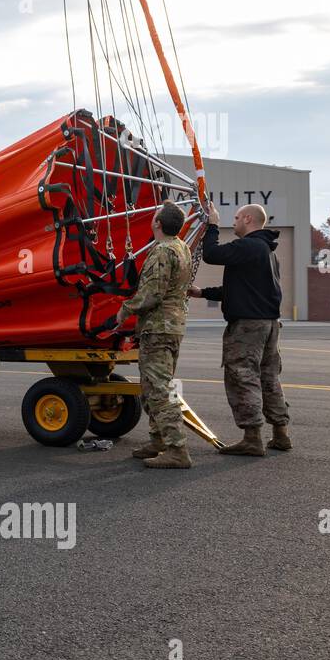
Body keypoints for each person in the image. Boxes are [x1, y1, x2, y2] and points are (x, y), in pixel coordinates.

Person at [188, 202, 290, 455]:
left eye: (235, 218)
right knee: (269, 378)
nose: (232, 223)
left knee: (242, 377)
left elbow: (212, 254)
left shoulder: (249, 246)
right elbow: (241, 290)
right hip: (269, 324)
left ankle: (252, 438)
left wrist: (212, 225)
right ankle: (281, 434)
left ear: (247, 219)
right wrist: (203, 293)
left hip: (248, 326)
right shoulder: (267, 252)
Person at [116, 201, 193, 469]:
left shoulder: (162, 251)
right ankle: (159, 440)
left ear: (158, 223)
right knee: (153, 388)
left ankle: (177, 449)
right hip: (172, 326)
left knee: (160, 390)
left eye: (155, 216)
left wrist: (125, 310)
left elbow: (152, 293)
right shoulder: (182, 247)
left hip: (158, 328)